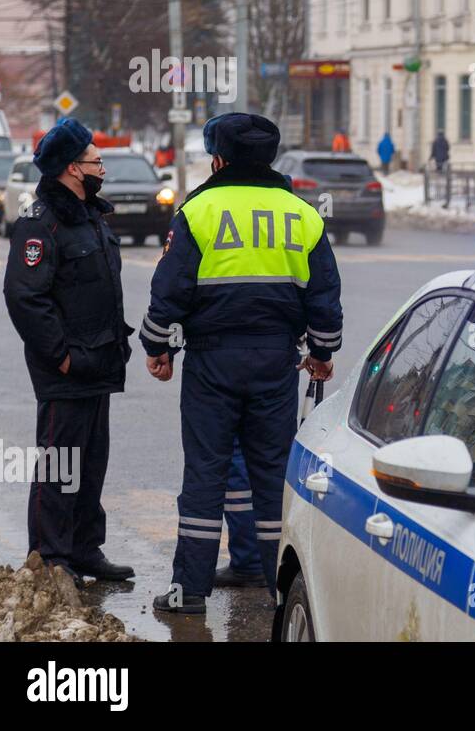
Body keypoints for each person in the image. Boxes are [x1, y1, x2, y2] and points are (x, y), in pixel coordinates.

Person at [143, 113, 343, 615]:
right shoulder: (302, 214)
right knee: (273, 473)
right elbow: (324, 295)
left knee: (206, 472)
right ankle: (280, 585)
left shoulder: (199, 211)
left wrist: (157, 346)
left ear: (219, 158)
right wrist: (321, 354)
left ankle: (188, 591)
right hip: (278, 361)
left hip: (213, 360)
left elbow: (170, 288)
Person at [3, 119, 134, 588]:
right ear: (72, 169)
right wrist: (60, 356)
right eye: (96, 160)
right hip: (67, 368)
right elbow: (25, 296)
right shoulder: (42, 223)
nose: (102, 167)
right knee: (60, 464)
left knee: (91, 461)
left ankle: (84, 549)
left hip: (98, 362)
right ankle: (51, 557)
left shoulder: (92, 216)